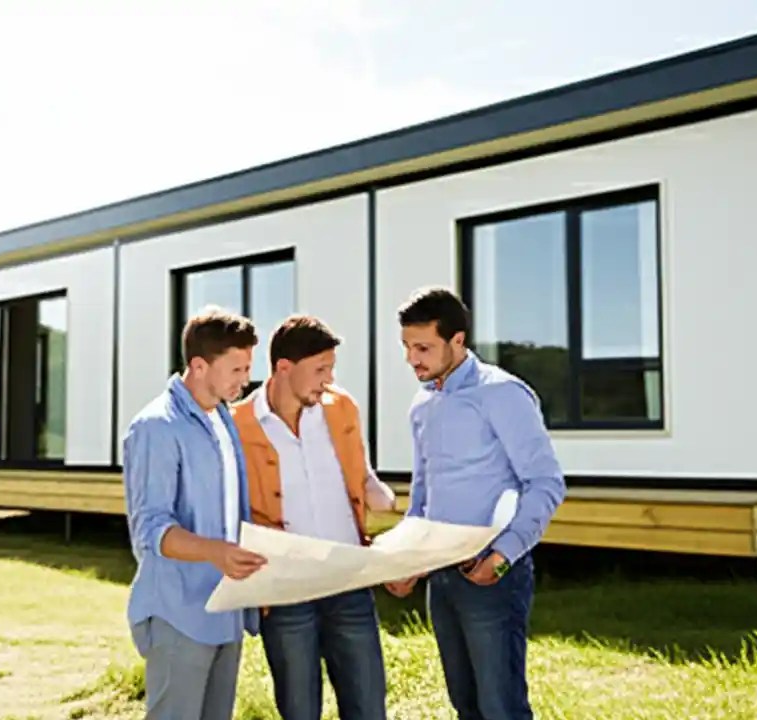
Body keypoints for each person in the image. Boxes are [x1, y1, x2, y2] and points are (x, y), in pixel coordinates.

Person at [385, 287, 565, 720]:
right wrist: (408, 558)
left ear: (458, 340)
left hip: (493, 578)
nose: (413, 359)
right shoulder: (422, 405)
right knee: (465, 704)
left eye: (424, 347)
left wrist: (502, 558)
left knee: (500, 708)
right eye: (407, 347)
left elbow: (545, 483)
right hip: (442, 580)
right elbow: (423, 495)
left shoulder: (502, 394)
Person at [229, 314, 396, 720]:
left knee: (368, 707)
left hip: (349, 582)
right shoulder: (238, 424)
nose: (328, 379)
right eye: (320, 369)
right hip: (287, 593)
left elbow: (363, 476)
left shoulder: (342, 409)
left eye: (331, 368)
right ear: (283, 368)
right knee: (300, 709)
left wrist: (389, 508)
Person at [122, 305, 268, 720]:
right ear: (200, 366)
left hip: (226, 610)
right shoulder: (156, 427)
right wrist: (216, 552)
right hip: (178, 615)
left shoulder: (222, 418)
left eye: (247, 368)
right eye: (236, 369)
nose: (245, 380)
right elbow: (151, 529)